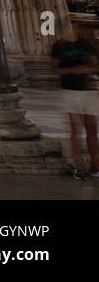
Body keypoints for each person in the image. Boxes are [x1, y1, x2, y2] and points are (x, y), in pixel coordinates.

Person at [51, 35, 99, 179]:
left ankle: (96, 166)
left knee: (92, 130)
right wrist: (71, 70)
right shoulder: (59, 46)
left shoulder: (85, 43)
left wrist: (85, 69)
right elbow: (54, 68)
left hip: (88, 90)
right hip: (70, 91)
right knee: (75, 129)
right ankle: (79, 167)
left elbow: (95, 65)